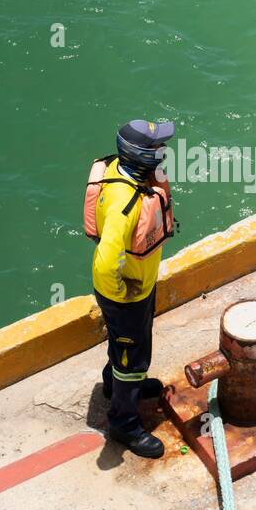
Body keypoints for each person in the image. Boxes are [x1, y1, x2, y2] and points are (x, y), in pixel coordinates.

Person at [85, 119, 176, 459]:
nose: (163, 153)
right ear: (140, 156)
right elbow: (107, 263)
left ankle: (117, 384)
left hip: (139, 285)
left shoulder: (124, 173)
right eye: (157, 149)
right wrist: (124, 294)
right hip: (126, 295)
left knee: (127, 354)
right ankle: (123, 423)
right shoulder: (125, 203)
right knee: (132, 356)